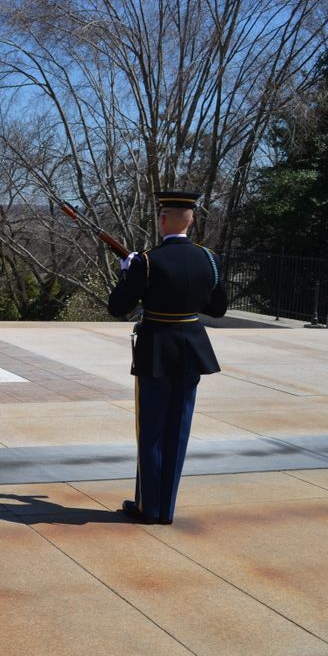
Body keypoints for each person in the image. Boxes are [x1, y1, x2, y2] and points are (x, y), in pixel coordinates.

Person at [107, 190, 227, 525]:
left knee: (152, 429)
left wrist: (127, 273)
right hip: (192, 348)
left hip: (156, 348)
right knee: (178, 429)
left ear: (162, 219)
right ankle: (166, 509)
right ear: (192, 219)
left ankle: (149, 507)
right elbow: (218, 308)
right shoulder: (209, 259)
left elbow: (117, 307)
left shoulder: (147, 261)